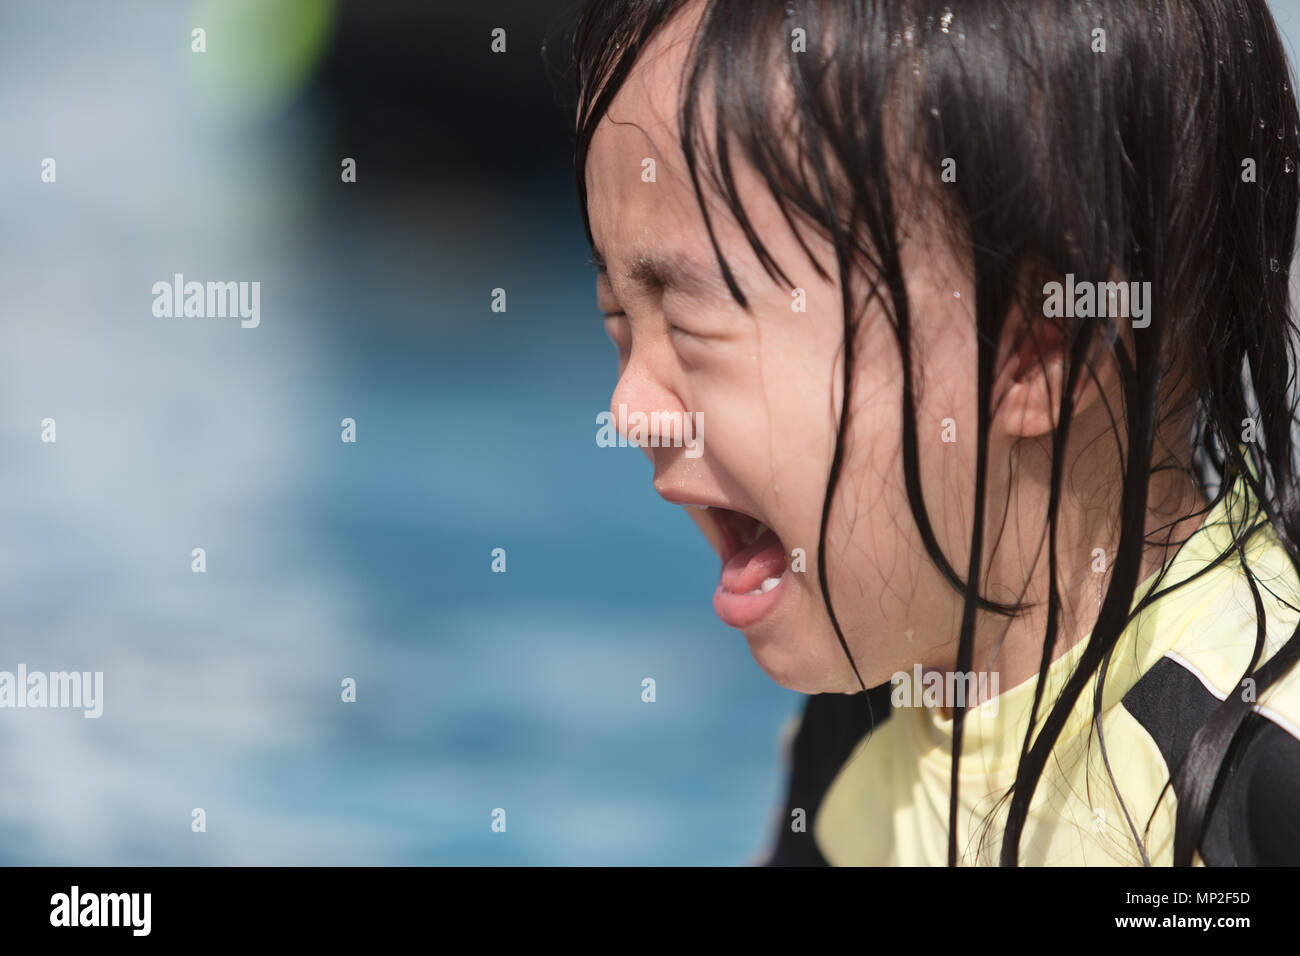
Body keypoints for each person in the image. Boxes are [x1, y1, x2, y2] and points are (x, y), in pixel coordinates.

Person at [570, 0, 1300, 865]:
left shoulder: (1254, 779)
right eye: (618, 319)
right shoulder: (867, 717)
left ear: (1036, 346)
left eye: (691, 325)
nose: (628, 410)